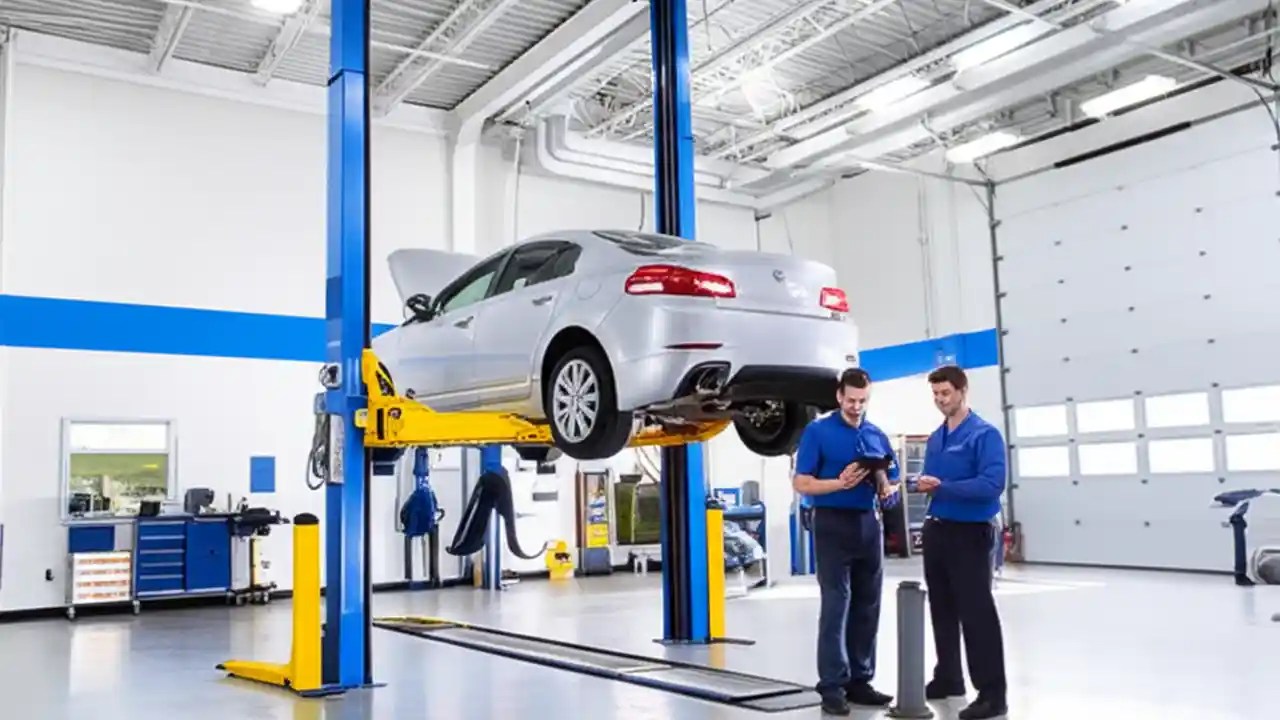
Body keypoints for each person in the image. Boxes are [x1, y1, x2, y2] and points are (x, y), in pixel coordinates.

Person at [792, 368, 900, 716]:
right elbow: (802, 483)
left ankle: (860, 681)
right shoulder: (817, 432)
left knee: (868, 604)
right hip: (831, 523)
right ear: (839, 397)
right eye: (850, 400)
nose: (856, 406)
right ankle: (832, 686)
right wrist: (838, 484)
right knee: (837, 603)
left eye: (862, 401)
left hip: (869, 523)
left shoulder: (876, 435)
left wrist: (887, 488)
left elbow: (895, 481)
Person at [915, 365, 1009, 720]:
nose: (941, 400)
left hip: (970, 533)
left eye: (946, 394)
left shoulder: (984, 435)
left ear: (962, 391)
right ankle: (949, 677)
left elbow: (992, 485)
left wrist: (942, 487)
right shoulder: (936, 437)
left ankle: (992, 694)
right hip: (938, 529)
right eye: (936, 395)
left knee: (976, 612)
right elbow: (933, 483)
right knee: (942, 608)